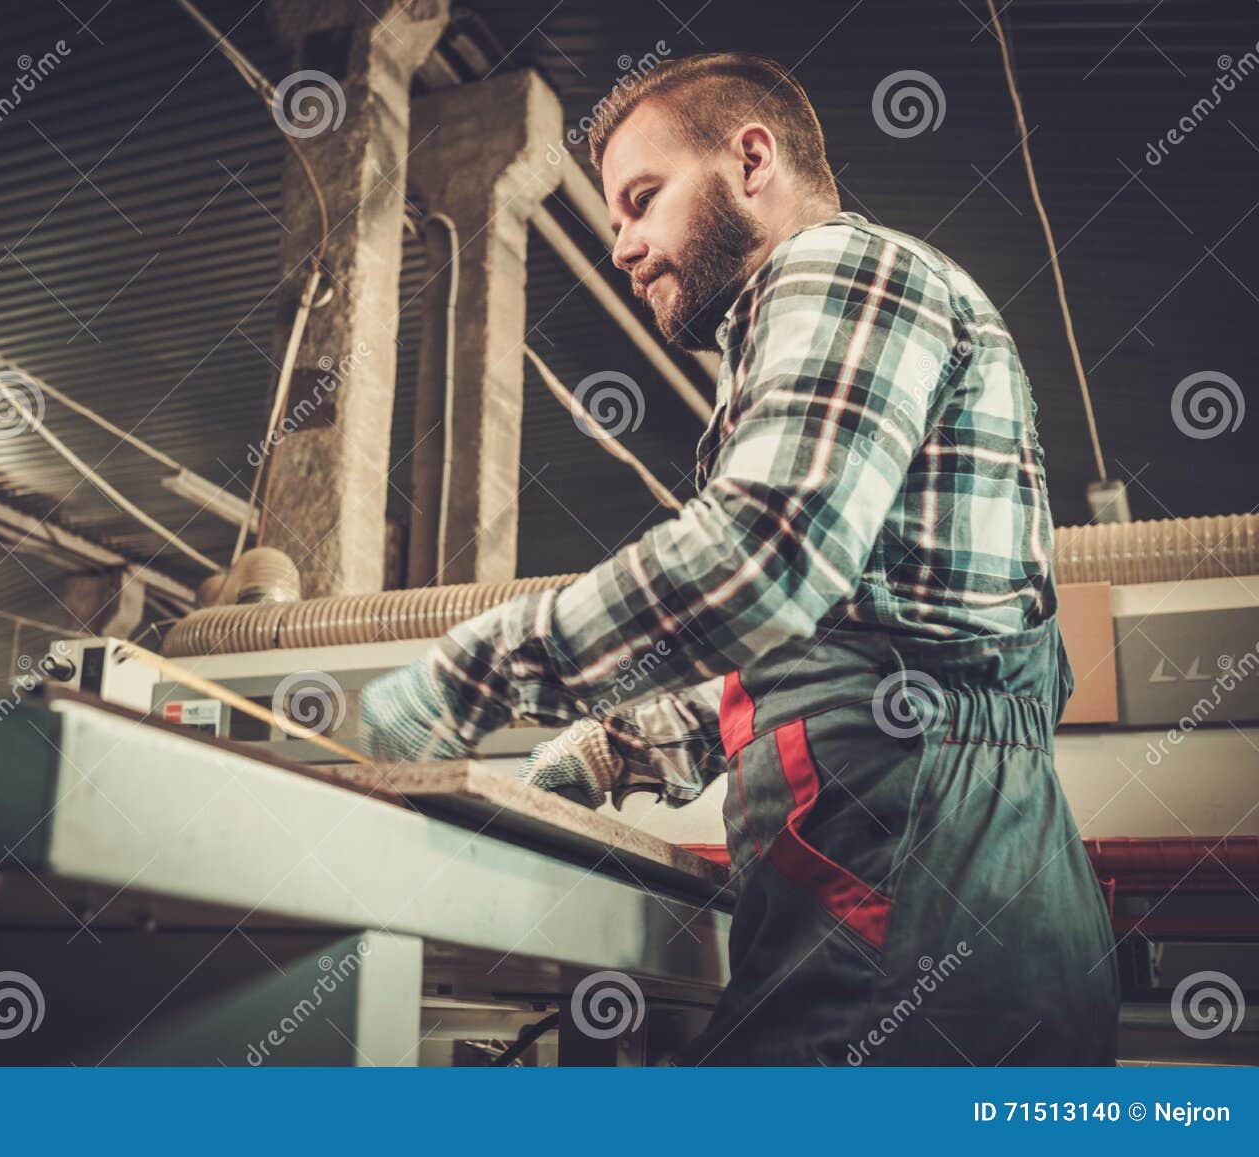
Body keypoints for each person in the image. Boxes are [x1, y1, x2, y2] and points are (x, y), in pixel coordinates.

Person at [360, 52, 1119, 1066]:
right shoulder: (790, 334)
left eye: (640, 200)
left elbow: (763, 558)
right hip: (932, 879)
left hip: (917, 891)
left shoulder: (836, 272)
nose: (623, 245)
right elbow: (816, 647)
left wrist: (469, 673)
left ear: (749, 159)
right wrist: (608, 749)